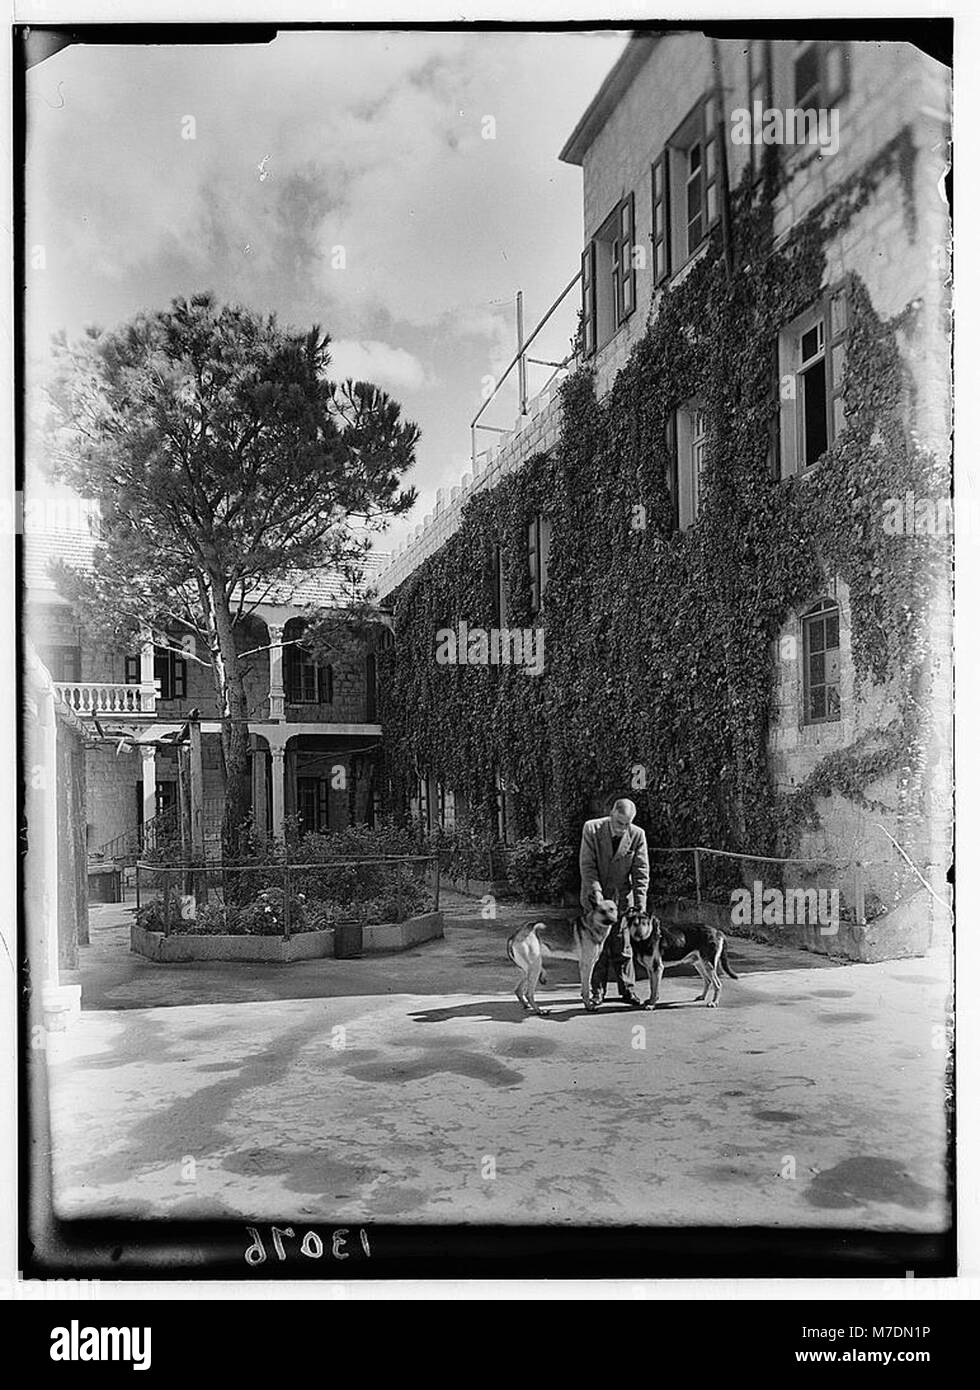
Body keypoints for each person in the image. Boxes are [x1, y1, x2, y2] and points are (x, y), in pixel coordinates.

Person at [578, 798, 650, 1008]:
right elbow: (587, 864)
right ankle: (597, 991)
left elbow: (641, 872)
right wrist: (597, 893)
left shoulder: (637, 835)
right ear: (611, 814)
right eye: (619, 823)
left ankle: (627, 990)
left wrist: (640, 906)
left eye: (626, 824)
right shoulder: (592, 829)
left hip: (621, 900)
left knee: (622, 946)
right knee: (595, 948)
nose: (622, 828)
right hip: (595, 900)